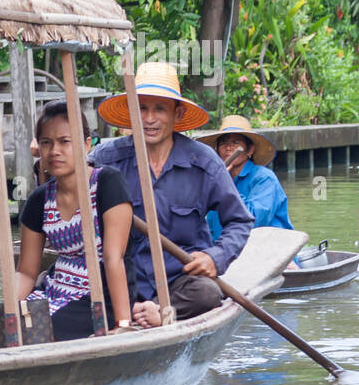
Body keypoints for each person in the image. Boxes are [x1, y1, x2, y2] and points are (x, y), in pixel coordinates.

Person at [91, 62, 253, 325]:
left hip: (180, 284)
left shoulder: (204, 162)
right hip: (122, 279)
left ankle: (162, 314)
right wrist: (43, 165)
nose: (149, 119)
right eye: (141, 108)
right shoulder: (105, 159)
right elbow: (64, 188)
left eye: (159, 109)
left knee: (207, 293)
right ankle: (135, 313)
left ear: (177, 114)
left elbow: (240, 221)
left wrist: (215, 256)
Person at [15, 100, 159, 340]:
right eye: (46, 143)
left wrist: (123, 323)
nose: (54, 151)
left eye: (65, 142)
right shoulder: (39, 200)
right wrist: (6, 309)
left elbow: (114, 259)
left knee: (33, 332)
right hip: (54, 290)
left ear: (86, 144)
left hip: (99, 296)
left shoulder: (107, 183)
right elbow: (27, 273)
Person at [198, 115, 294, 241]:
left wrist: (225, 185)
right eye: (223, 143)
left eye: (236, 142)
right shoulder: (215, 182)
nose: (228, 148)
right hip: (228, 250)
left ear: (250, 150)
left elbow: (251, 222)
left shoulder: (264, 178)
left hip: (269, 249)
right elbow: (208, 227)